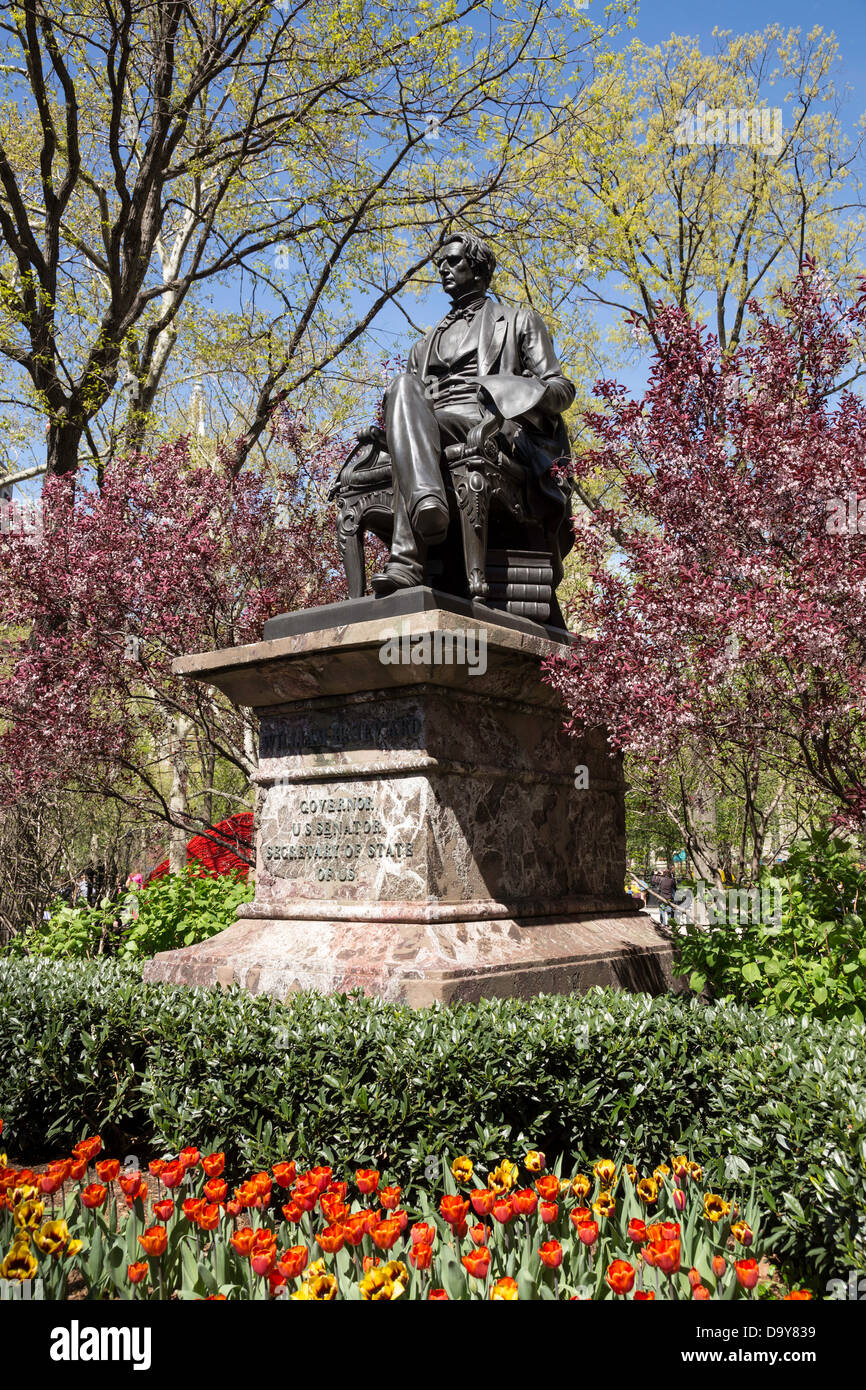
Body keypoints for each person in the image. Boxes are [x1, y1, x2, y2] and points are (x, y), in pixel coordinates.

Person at [371, 231, 575, 595]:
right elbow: (412, 403)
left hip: (487, 420)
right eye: (440, 264)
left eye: (453, 261)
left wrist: (517, 390)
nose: (443, 270)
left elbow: (561, 389)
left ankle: (406, 561)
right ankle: (427, 501)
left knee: (410, 419)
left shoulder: (517, 320)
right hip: (431, 424)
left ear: (478, 267)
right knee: (402, 385)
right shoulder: (423, 345)